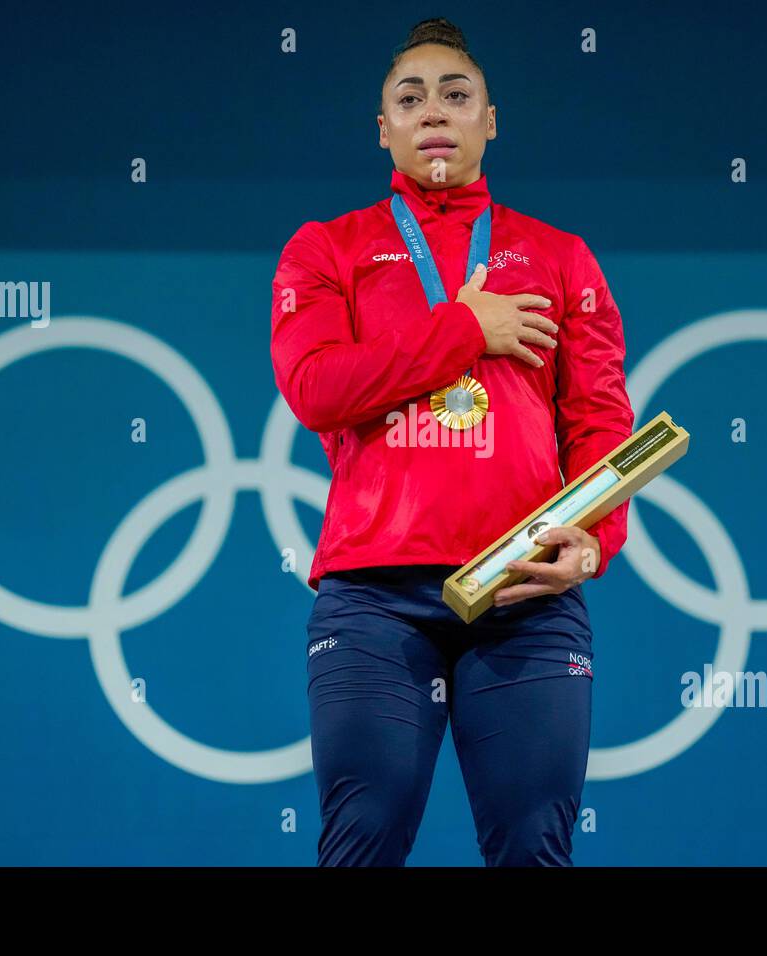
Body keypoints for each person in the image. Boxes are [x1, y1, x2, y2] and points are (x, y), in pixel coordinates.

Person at [269, 17, 634, 866]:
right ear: (384, 128)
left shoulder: (560, 257)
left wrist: (596, 542)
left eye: (456, 93)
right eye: (411, 96)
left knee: (534, 851)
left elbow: (599, 424)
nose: (434, 109)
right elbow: (317, 389)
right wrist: (464, 328)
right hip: (373, 599)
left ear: (491, 119)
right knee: (362, 845)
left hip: (525, 596)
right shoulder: (327, 249)